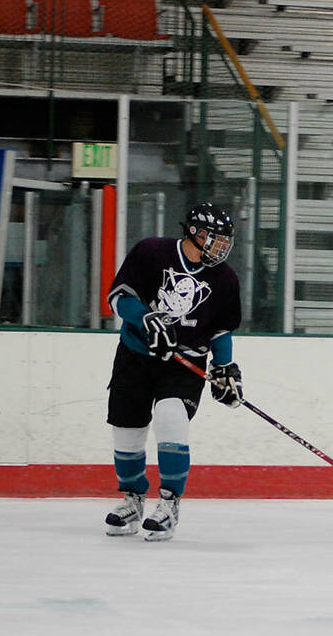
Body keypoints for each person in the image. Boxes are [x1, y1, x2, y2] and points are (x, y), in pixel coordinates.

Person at [103, 202, 244, 541]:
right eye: (216, 239)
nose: (222, 247)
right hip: (136, 354)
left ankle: (169, 504)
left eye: (226, 241)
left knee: (170, 415)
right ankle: (133, 499)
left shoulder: (225, 279)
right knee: (127, 428)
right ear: (195, 233)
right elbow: (120, 297)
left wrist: (224, 368)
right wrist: (146, 318)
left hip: (185, 364)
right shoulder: (151, 252)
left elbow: (221, 331)